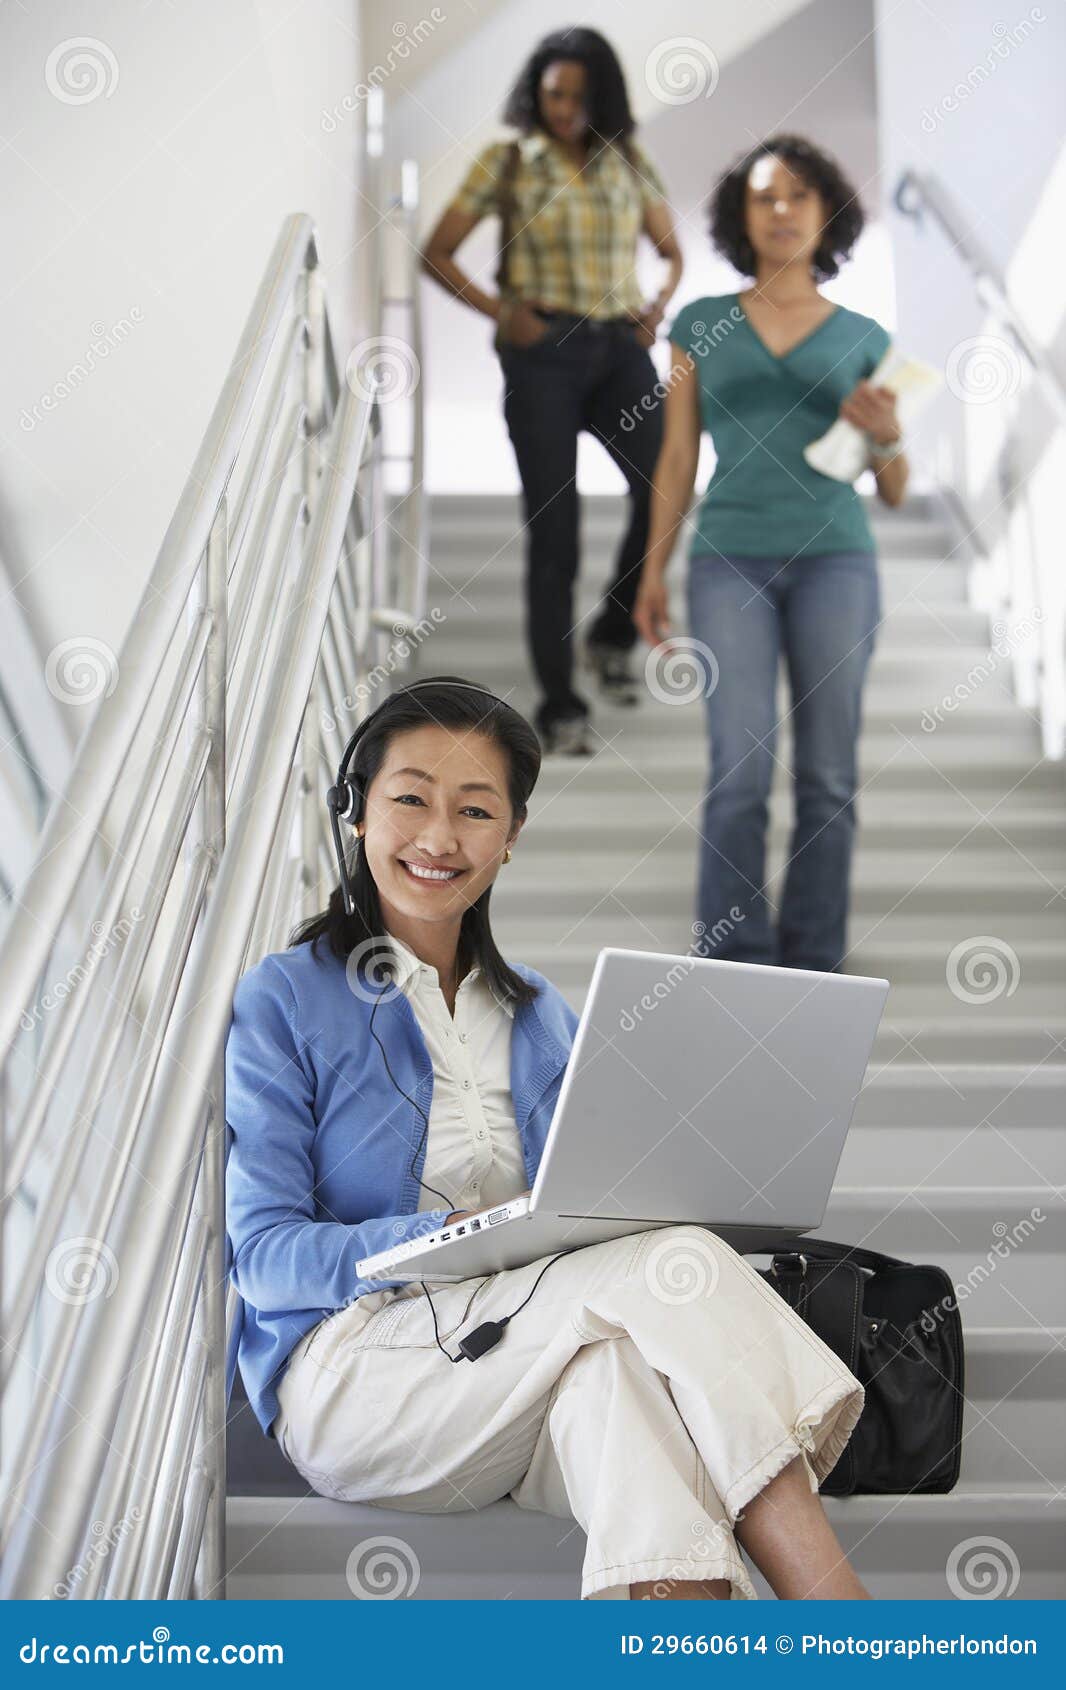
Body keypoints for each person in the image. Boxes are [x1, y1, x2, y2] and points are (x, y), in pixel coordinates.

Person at [225, 675, 872, 1601]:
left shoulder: (541, 1015)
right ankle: (848, 1626)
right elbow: (266, 1259)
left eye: (475, 810)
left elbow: (596, 1206)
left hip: (524, 1359)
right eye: (410, 798)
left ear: (511, 837)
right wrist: (447, 1243)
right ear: (355, 811)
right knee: (665, 1267)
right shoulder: (286, 998)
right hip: (356, 1378)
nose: (440, 838)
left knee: (624, 1387)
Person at [634, 135, 908, 973]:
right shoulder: (700, 323)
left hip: (838, 560)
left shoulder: (866, 336)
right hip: (730, 559)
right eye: (764, 196)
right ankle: (737, 953)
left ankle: (815, 958)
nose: (781, 209)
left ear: (826, 213)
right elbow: (677, 456)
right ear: (739, 216)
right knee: (740, 766)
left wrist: (889, 439)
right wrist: (652, 570)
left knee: (828, 775)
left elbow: (892, 488)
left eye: (798, 195)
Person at [421, 28, 682, 754]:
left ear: (605, 97)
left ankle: (612, 631)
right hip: (543, 356)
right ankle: (560, 700)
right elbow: (436, 251)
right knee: (556, 532)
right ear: (536, 91)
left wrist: (656, 305)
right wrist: (502, 312)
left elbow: (671, 251)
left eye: (580, 95)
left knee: (664, 490)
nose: (565, 107)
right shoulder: (506, 161)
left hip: (619, 352)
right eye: (554, 92)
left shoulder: (627, 160)